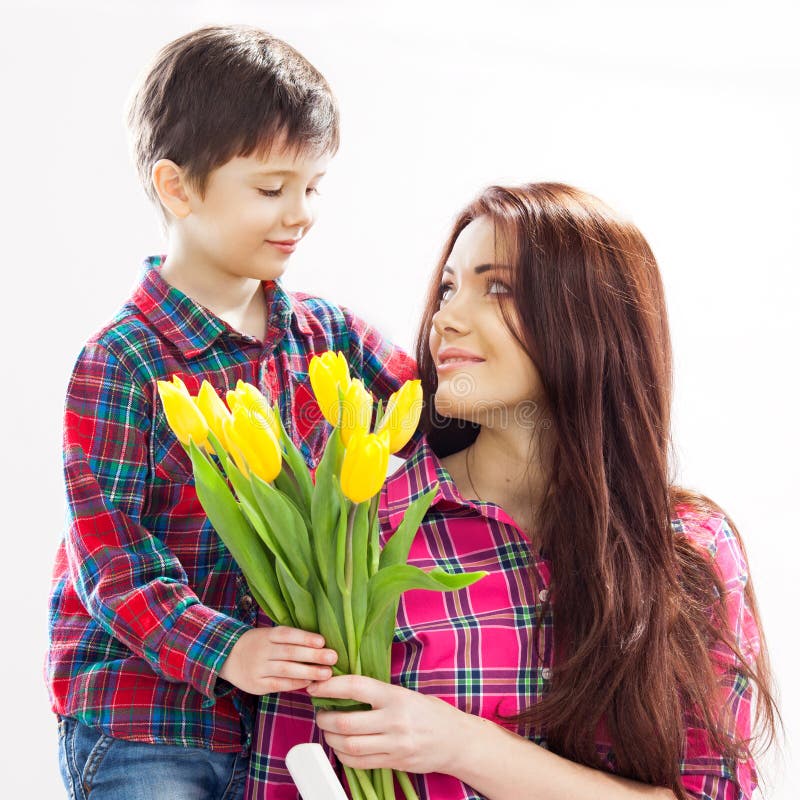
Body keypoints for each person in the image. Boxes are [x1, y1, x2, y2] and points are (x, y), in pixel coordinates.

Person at [247, 183, 779, 799]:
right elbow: (287, 776)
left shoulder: (688, 547)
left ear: (590, 319)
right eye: (448, 288)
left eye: (497, 287)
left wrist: (465, 746)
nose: (445, 317)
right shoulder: (360, 533)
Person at [46, 25, 416, 800]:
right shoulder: (122, 361)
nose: (301, 213)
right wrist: (226, 649)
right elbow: (111, 557)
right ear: (178, 188)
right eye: (272, 190)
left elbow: (430, 410)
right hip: (145, 717)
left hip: (278, 723)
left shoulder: (326, 336)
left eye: (313, 187)